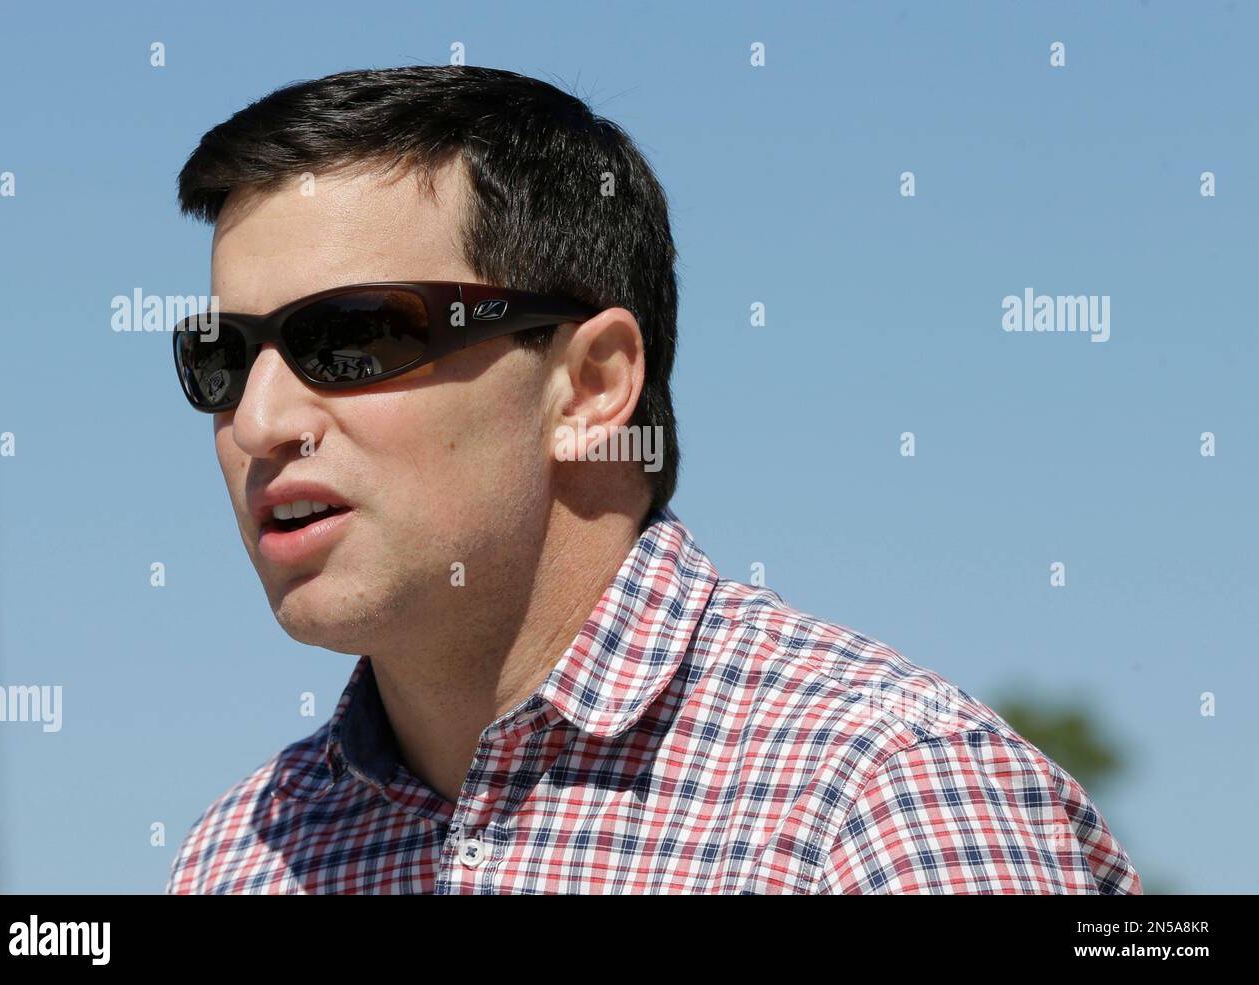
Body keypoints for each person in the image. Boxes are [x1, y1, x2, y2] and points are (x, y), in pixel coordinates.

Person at [164, 65, 1140, 894]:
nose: (258, 420)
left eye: (351, 337)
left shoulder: (882, 799)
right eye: (221, 358)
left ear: (590, 385)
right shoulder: (236, 858)